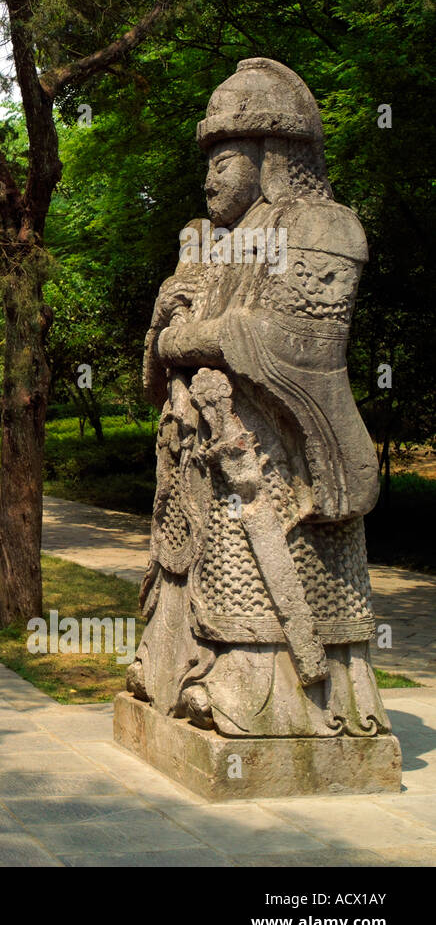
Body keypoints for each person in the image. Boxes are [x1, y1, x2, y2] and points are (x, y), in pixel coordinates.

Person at [128, 58, 386, 739]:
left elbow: (296, 346)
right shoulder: (206, 246)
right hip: (193, 462)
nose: (209, 175)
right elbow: (154, 379)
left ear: (273, 156)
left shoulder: (324, 227)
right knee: (195, 574)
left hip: (265, 460)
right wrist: (161, 325)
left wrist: (193, 336)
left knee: (258, 581)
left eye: (225, 158)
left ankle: (263, 697)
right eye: (207, 161)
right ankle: (172, 670)